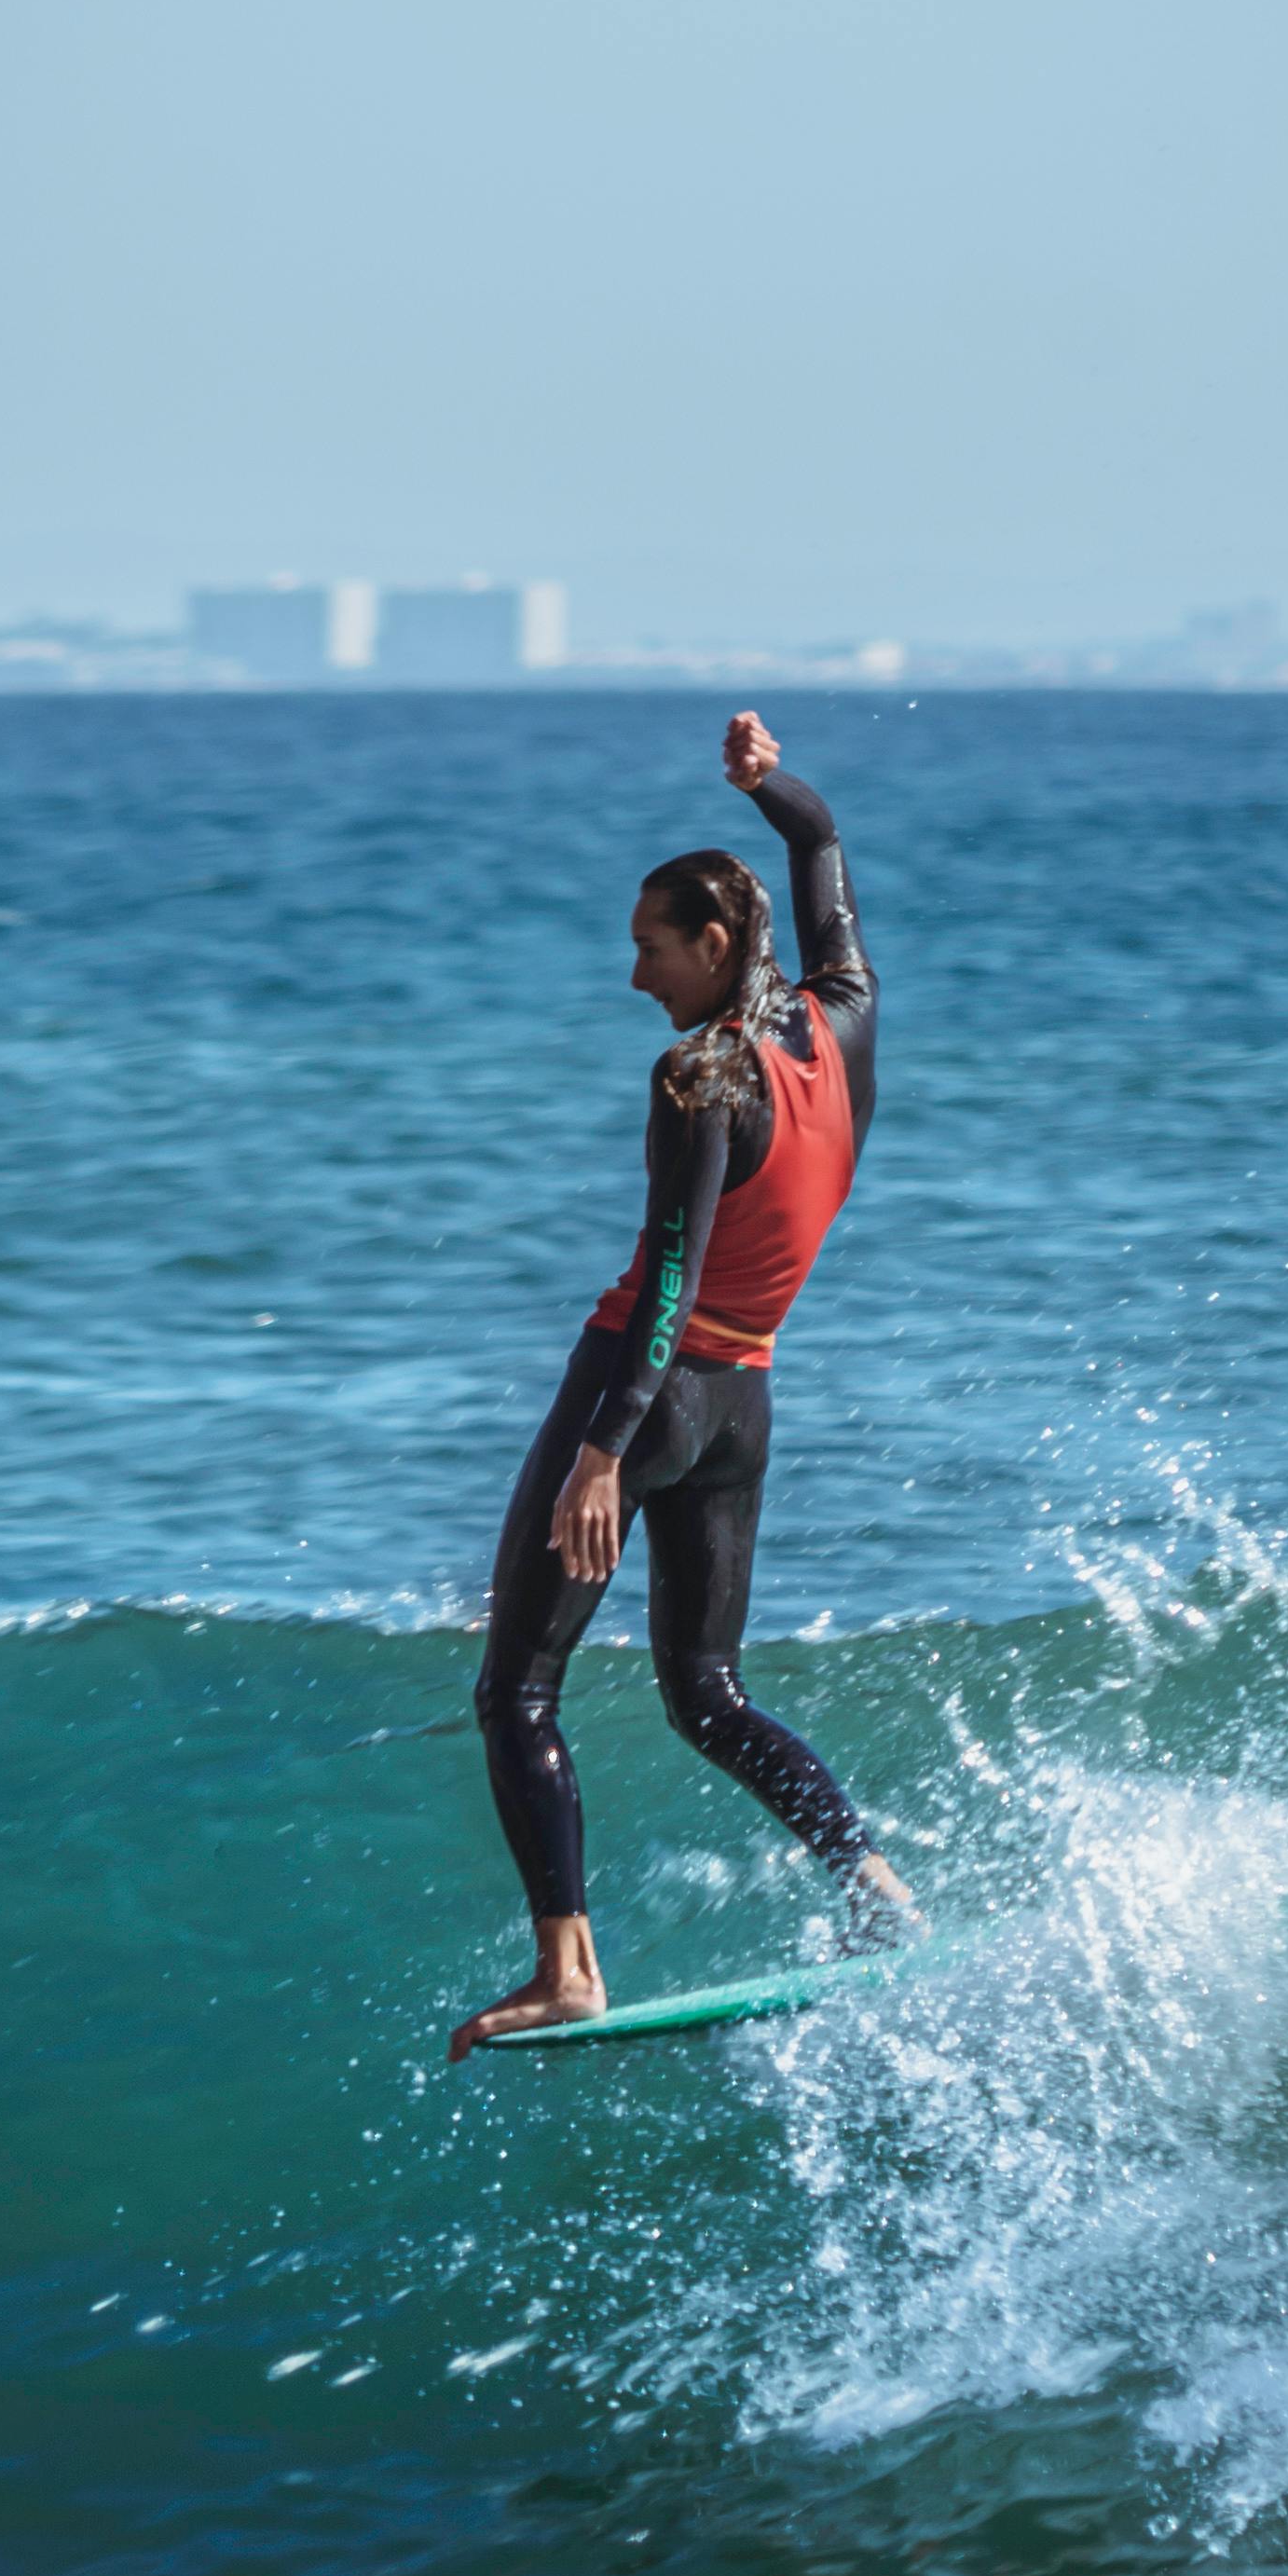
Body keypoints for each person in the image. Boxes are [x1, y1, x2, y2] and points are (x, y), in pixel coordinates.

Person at [452, 711, 913, 2057]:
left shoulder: (700, 1075)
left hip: (646, 1395)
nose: (634, 971)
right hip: (743, 1405)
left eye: (651, 942)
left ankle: (567, 1968)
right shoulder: (846, 1020)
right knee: (705, 1690)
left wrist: (603, 1450)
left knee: (518, 1690)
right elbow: (823, 844)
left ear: (713, 945)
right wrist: (775, 788)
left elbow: (670, 1265)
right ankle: (872, 1884)